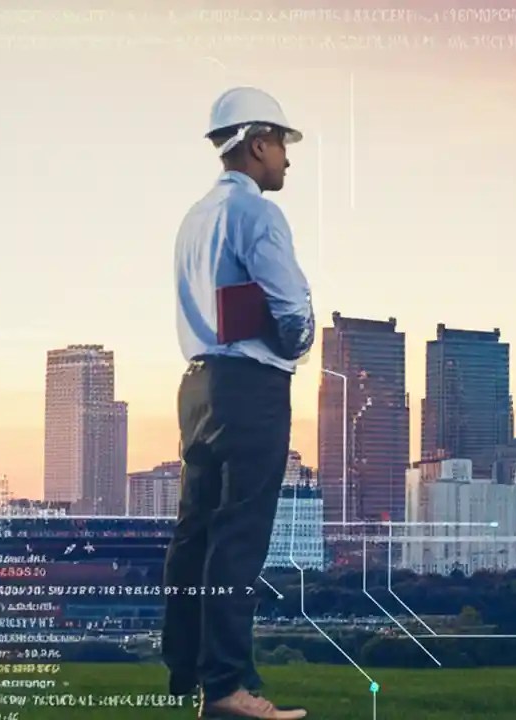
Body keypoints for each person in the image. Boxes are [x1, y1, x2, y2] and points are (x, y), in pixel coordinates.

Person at [163, 86, 315, 720]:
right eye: (281, 144)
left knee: (195, 532)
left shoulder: (194, 218)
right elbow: (292, 311)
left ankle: (187, 673)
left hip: (197, 386)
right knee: (239, 537)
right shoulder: (259, 214)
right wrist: (299, 335)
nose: (287, 158)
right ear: (257, 144)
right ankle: (227, 689)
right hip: (250, 388)